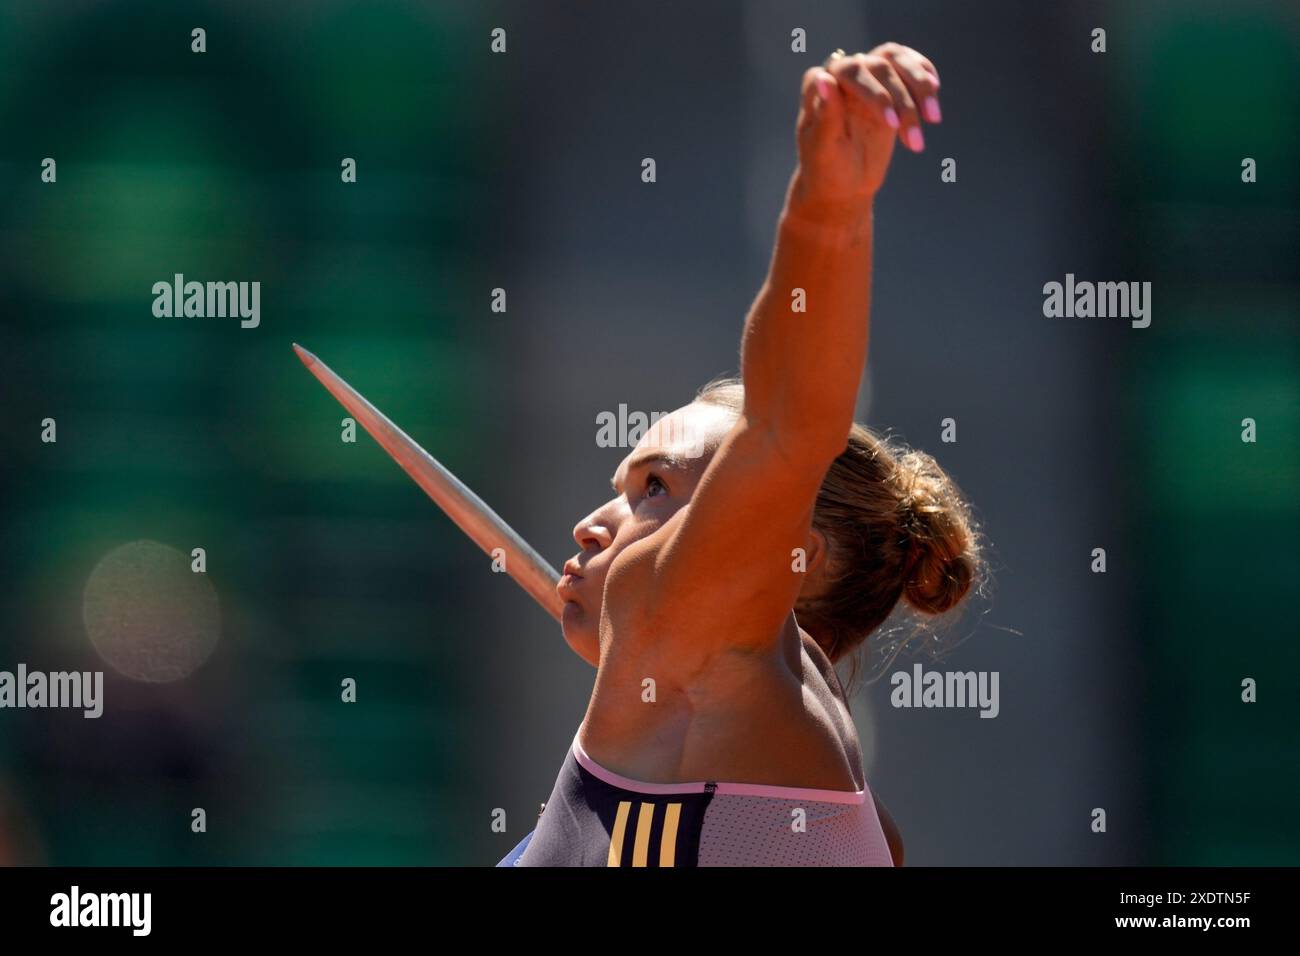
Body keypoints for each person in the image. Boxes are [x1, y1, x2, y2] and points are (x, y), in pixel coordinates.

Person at [504, 43, 984, 867]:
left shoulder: (675, 632)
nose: (593, 526)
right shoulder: (862, 821)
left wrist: (827, 205)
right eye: (622, 487)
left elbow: (790, 428)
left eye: (656, 488)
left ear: (795, 552)